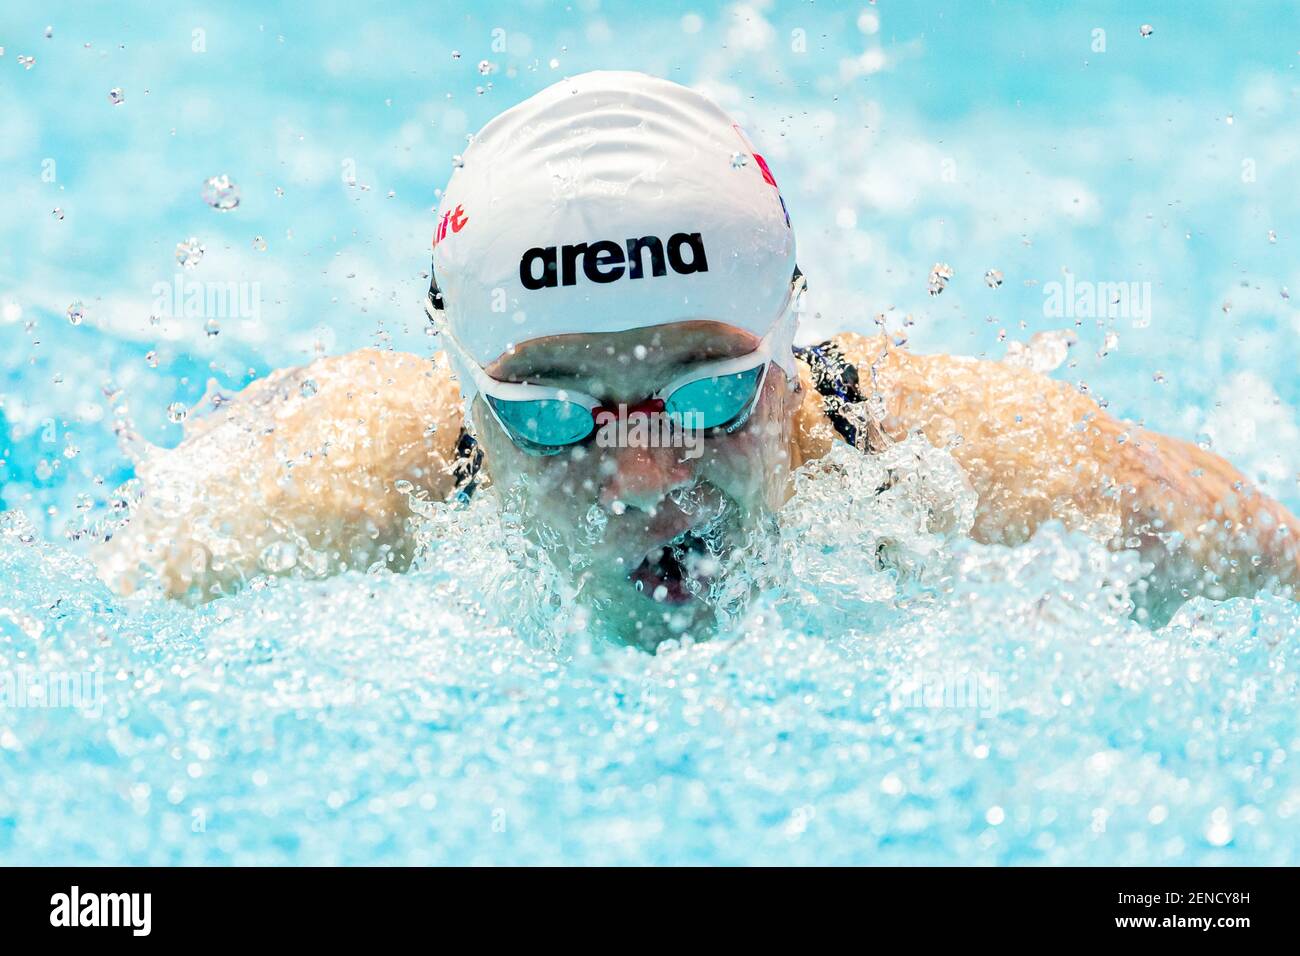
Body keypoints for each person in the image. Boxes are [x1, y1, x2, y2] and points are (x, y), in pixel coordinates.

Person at [100, 71, 1300, 648]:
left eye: (712, 391)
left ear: (786, 344)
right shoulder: (314, 497)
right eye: (553, 414)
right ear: (458, 380)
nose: (643, 475)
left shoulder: (989, 465)